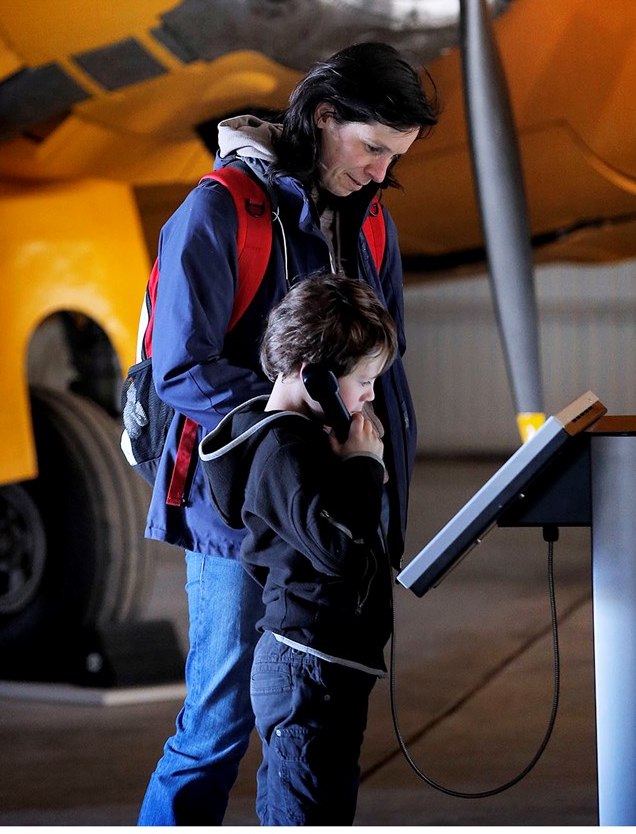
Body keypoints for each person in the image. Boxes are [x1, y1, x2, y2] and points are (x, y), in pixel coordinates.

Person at [137, 42, 438, 825]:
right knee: (218, 727)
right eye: (372, 149)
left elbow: (388, 370)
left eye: (394, 158)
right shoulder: (217, 211)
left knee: (311, 724)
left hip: (333, 509)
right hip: (240, 518)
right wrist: (293, 418)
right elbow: (178, 368)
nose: (379, 173)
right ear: (325, 116)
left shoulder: (373, 228)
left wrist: (383, 507)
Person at [199, 272, 397, 826]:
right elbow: (337, 547)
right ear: (317, 379)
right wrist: (362, 466)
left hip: (325, 663)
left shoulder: (309, 443)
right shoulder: (283, 450)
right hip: (306, 667)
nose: (371, 395)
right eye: (364, 380)